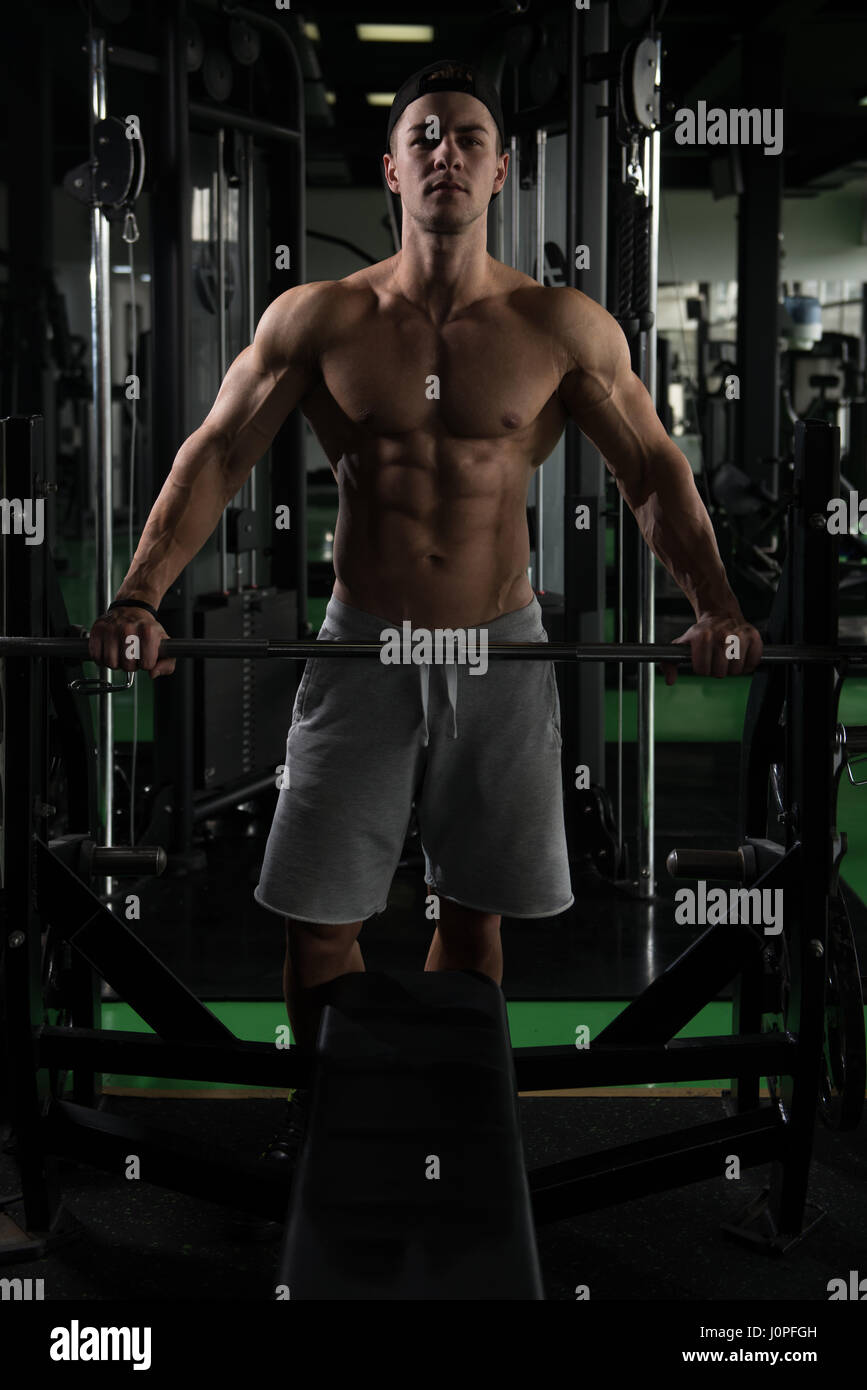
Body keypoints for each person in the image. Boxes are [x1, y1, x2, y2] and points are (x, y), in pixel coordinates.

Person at [88, 59, 762, 1177]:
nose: (445, 152)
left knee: (478, 911)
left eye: (467, 137)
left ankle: (452, 1126)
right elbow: (214, 455)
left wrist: (720, 608)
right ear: (394, 169)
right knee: (317, 917)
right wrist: (136, 595)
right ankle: (327, 1114)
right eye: (425, 137)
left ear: (500, 168)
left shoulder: (560, 324)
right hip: (365, 641)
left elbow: (652, 471)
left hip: (499, 645)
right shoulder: (319, 318)